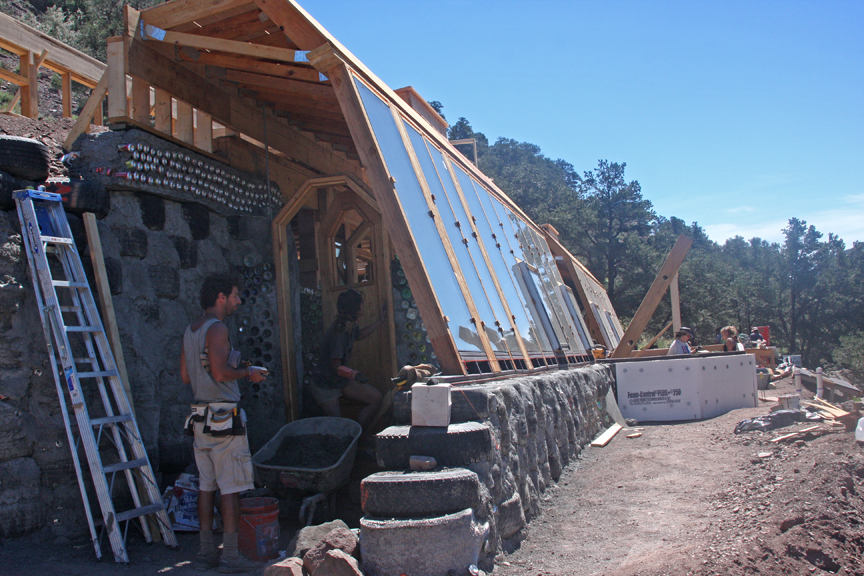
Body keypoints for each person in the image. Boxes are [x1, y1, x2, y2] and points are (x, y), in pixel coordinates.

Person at [180, 273, 266, 573]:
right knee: (230, 489)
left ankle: (205, 553)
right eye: (234, 295)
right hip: (223, 420)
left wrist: (224, 367)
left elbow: (187, 376)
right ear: (221, 297)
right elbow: (219, 374)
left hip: (200, 419)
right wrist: (248, 373)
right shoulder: (217, 329)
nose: (237, 300)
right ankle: (230, 557)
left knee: (206, 486)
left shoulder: (192, 330)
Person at [309, 289, 385, 431]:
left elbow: (359, 335)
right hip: (325, 385)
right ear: (355, 307)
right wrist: (353, 374)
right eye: (361, 302)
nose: (363, 304)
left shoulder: (351, 324)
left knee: (376, 398)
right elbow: (336, 366)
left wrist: (379, 322)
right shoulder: (339, 332)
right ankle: (349, 441)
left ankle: (357, 435)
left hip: (340, 380)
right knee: (339, 429)